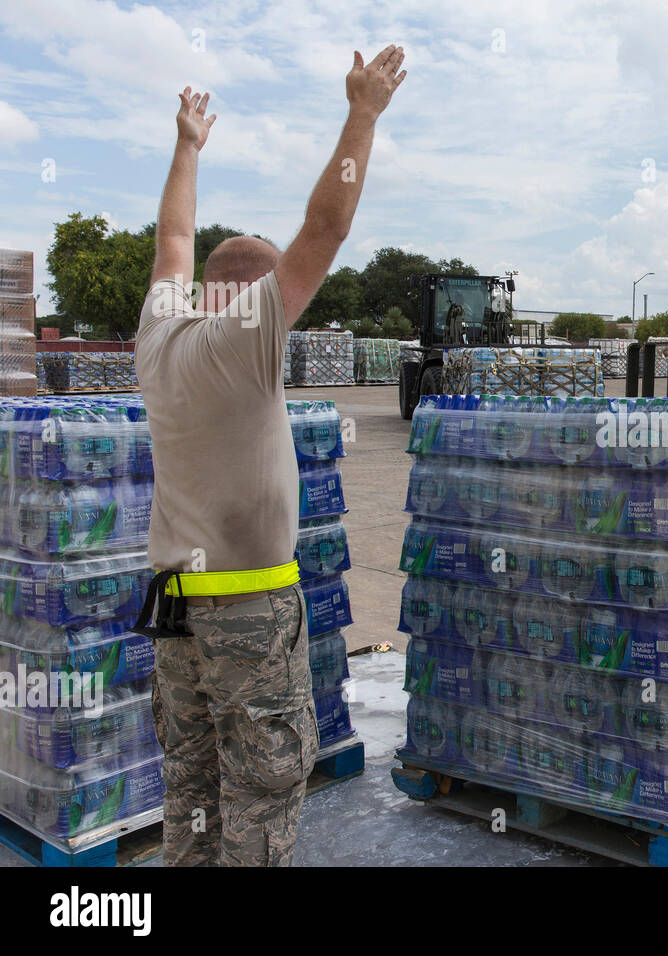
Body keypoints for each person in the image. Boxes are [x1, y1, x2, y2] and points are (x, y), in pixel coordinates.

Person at [133, 45, 407, 866]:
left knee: (193, 786)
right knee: (261, 790)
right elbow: (326, 228)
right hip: (244, 610)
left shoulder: (158, 333)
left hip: (174, 604)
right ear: (255, 297)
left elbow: (174, 235)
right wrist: (364, 113)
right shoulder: (246, 341)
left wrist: (187, 145)